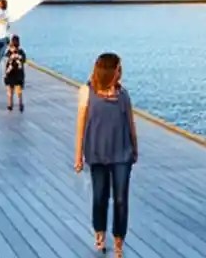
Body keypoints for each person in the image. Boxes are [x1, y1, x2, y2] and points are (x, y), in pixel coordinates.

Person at [74, 53, 138, 258]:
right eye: (119, 68)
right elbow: (81, 124)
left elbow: (130, 123)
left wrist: (135, 149)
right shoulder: (87, 91)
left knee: (121, 199)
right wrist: (78, 155)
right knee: (100, 196)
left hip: (122, 153)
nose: (121, 71)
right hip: (97, 152)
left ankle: (119, 239)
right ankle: (99, 232)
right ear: (110, 71)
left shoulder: (123, 94)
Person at [4, 35, 26, 111]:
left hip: (11, 73)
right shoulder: (21, 52)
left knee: (10, 90)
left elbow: (6, 62)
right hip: (18, 74)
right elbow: (23, 60)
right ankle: (20, 104)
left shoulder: (9, 53)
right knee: (18, 90)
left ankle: (10, 104)